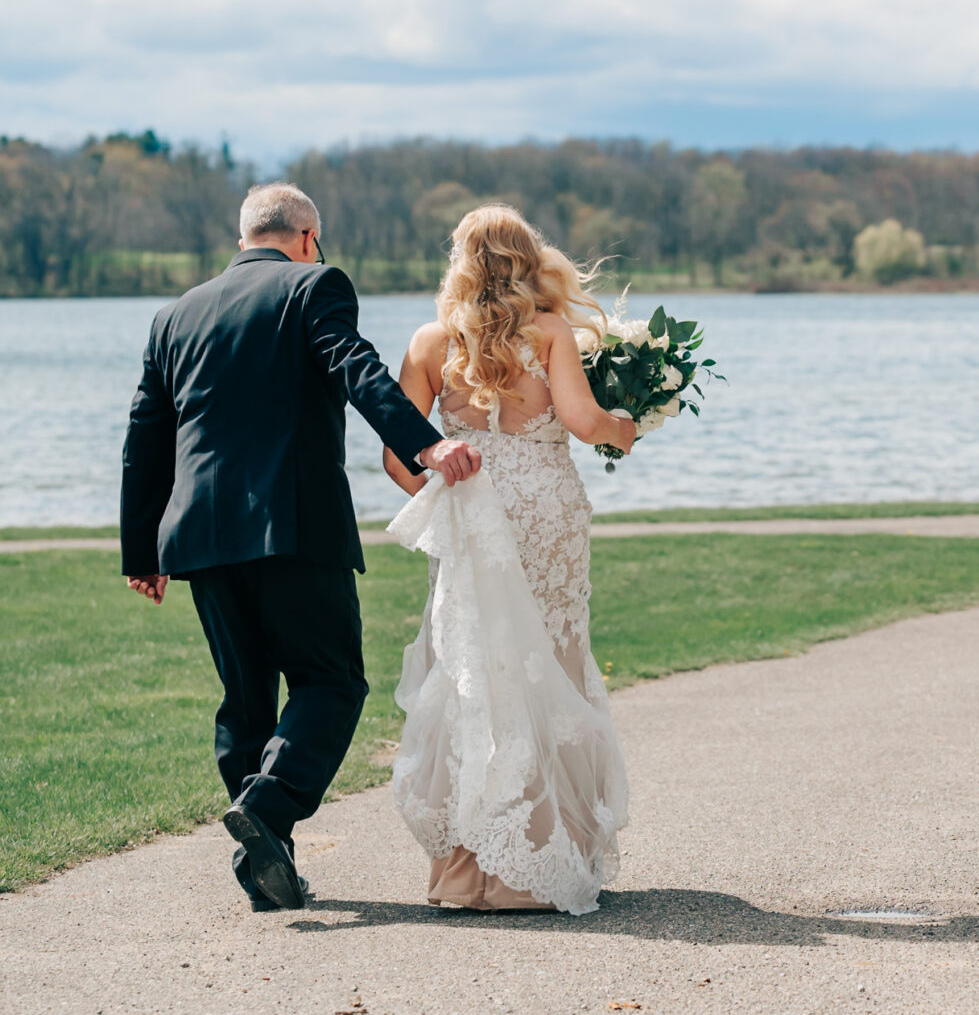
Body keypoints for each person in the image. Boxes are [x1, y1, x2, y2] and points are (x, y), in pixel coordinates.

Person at [119, 183, 482, 912]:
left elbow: (144, 438)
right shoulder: (315, 286)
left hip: (200, 537)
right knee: (331, 682)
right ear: (308, 237)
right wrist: (426, 442)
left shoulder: (175, 314)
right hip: (292, 526)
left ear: (243, 235)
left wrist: (141, 550)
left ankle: (267, 867)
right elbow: (359, 370)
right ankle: (270, 805)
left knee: (247, 699)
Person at [382, 204, 635, 914]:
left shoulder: (432, 342)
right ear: (528, 259)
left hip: (476, 513)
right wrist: (631, 426)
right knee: (548, 663)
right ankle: (541, 855)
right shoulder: (551, 331)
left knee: (475, 668)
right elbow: (586, 425)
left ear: (461, 262)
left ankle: (468, 872)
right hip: (545, 510)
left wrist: (440, 480)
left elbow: (397, 459)